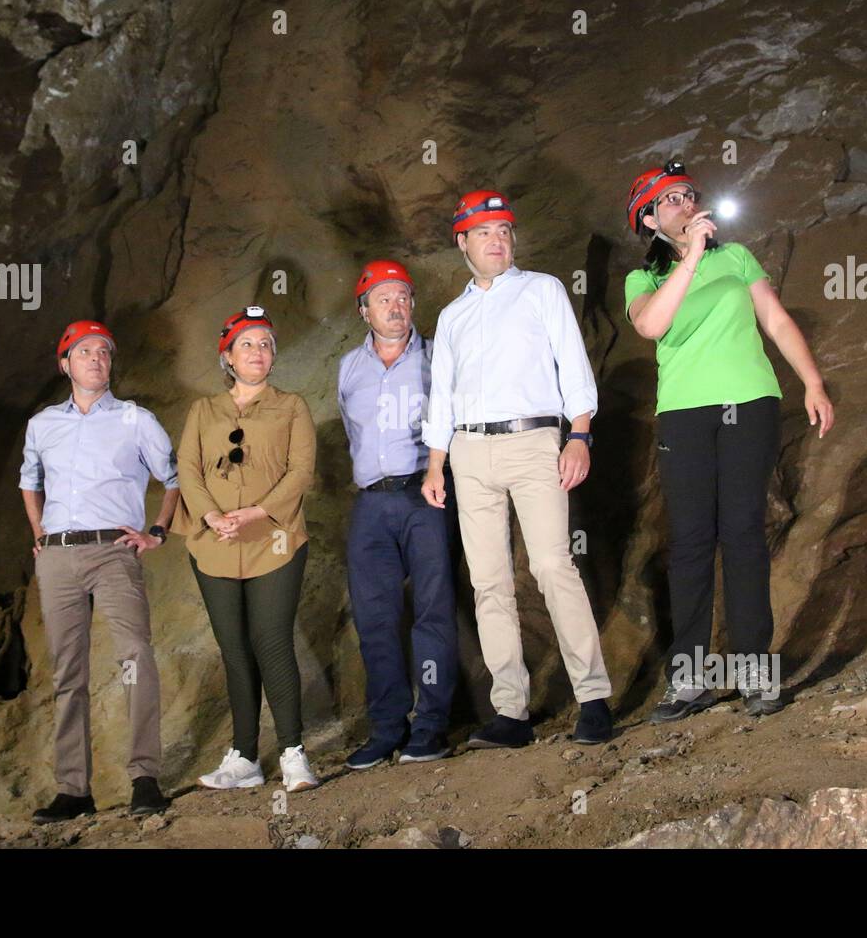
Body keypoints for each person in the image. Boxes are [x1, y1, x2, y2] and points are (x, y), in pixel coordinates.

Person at [623, 160, 835, 721]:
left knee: (742, 533)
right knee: (691, 541)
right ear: (648, 219)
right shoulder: (642, 280)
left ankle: (754, 672)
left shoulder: (737, 258)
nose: (687, 204)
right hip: (684, 416)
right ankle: (689, 679)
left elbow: (777, 321)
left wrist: (813, 382)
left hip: (749, 404)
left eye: (690, 195)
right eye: (671, 200)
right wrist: (690, 256)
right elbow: (652, 326)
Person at [421, 189, 614, 750]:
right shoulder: (452, 316)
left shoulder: (542, 290)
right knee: (488, 584)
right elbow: (442, 399)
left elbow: (574, 367)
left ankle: (593, 698)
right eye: (484, 232)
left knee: (554, 566)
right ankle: (510, 712)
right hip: (469, 452)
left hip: (534, 441)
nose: (498, 240)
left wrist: (579, 435)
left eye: (504, 230)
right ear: (463, 242)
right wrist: (436, 466)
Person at [19, 320, 178, 823]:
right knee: (68, 670)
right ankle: (73, 790)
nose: (96, 359)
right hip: (59, 555)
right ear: (64, 364)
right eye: (84, 352)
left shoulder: (136, 419)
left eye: (104, 352)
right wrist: (40, 535)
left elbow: (173, 478)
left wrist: (157, 530)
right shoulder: (43, 424)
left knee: (135, 656)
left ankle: (145, 779)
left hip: (113, 550)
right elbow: (29, 481)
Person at [172, 306, 320, 792]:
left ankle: (294, 753)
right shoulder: (202, 410)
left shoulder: (292, 406)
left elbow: (300, 472)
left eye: (265, 344)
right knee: (235, 651)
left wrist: (255, 513)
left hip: (273, 539)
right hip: (214, 542)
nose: (258, 352)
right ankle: (244, 757)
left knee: (272, 641)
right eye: (247, 344)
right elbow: (188, 470)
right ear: (228, 356)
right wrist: (212, 516)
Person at [337, 260, 458, 768]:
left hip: (423, 494)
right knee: (375, 619)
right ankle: (387, 727)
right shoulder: (348, 367)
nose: (397, 306)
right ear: (364, 310)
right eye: (384, 298)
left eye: (404, 296)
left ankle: (429, 726)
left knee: (432, 611)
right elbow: (352, 431)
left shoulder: (437, 357)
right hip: (371, 502)